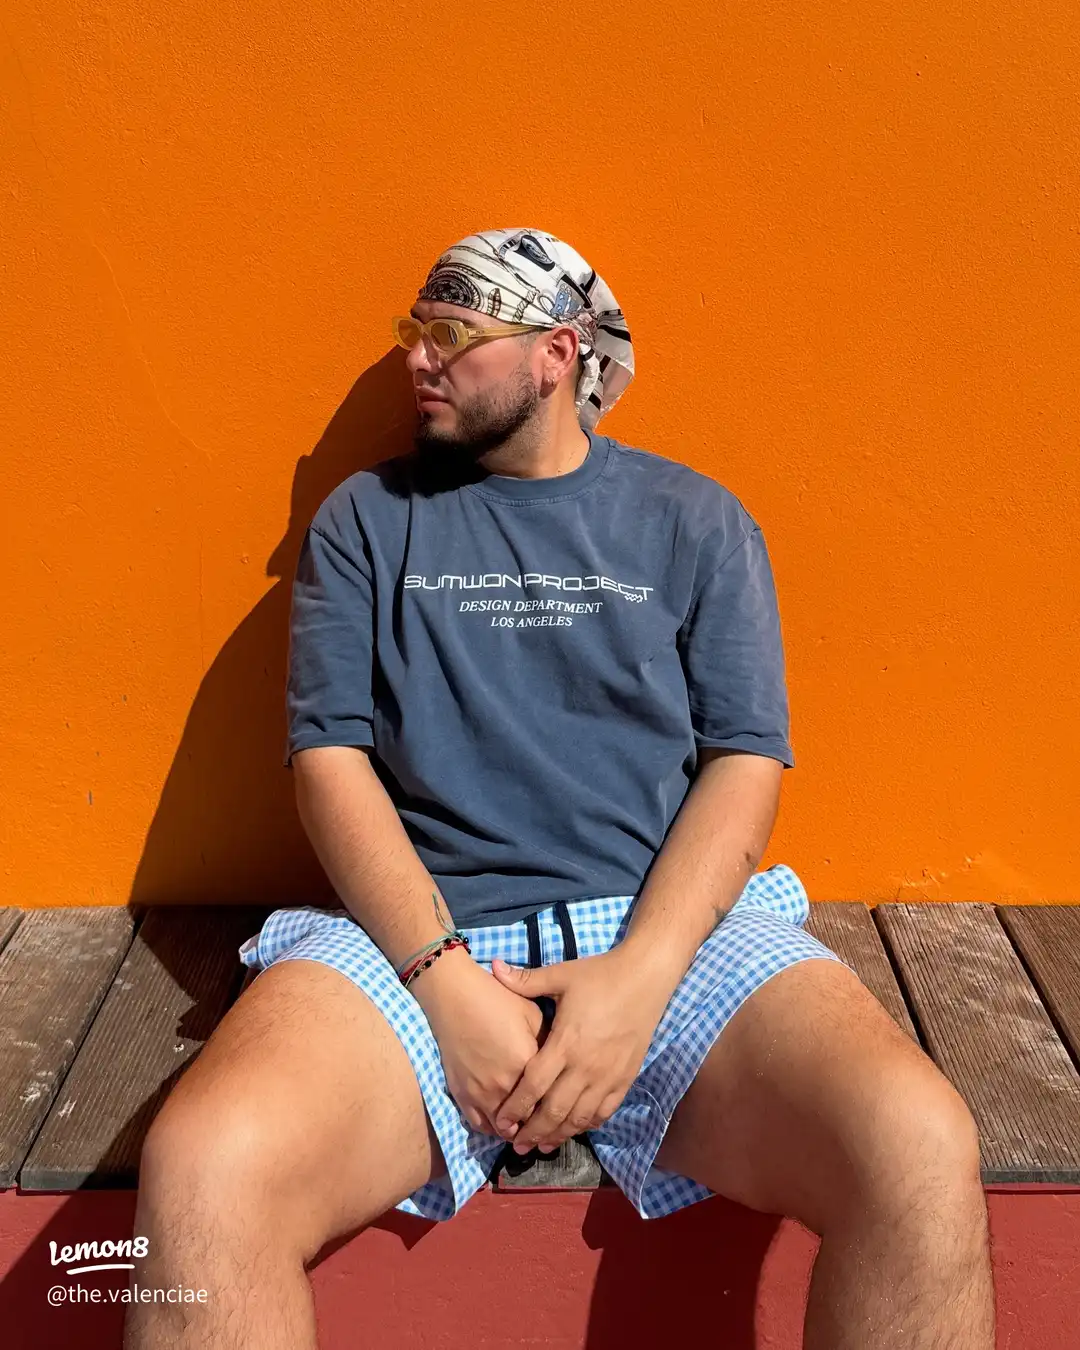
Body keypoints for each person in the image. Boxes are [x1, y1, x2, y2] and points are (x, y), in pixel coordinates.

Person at [125, 228, 995, 1349]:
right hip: (420, 942)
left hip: (663, 934)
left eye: (453, 334)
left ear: (557, 352)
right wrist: (444, 984)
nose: (418, 359)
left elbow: (744, 760)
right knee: (205, 1167)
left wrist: (642, 975)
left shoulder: (694, 519)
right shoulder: (368, 521)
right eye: (414, 332)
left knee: (917, 1142)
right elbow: (329, 761)